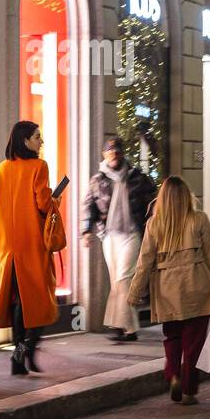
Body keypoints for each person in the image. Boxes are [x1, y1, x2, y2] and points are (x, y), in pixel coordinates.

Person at [126, 176, 210, 406]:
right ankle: (189, 390)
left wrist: (134, 292)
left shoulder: (154, 223)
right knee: (193, 343)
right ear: (186, 196)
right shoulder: (199, 219)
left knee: (172, 336)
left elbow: (144, 262)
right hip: (197, 285)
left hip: (167, 288)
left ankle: (173, 374)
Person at [0, 121, 60, 375]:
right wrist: (56, 200)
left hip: (8, 246)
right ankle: (28, 350)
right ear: (25, 141)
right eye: (37, 137)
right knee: (41, 301)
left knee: (18, 301)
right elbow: (43, 204)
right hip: (32, 243)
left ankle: (18, 357)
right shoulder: (38, 166)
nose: (40, 141)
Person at [81, 136, 157, 342]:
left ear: (123, 154)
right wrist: (86, 231)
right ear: (104, 154)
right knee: (117, 283)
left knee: (123, 279)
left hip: (131, 234)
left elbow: (155, 199)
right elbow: (88, 207)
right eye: (110, 151)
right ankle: (121, 326)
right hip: (109, 236)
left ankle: (127, 328)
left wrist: (152, 222)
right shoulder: (97, 180)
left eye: (118, 151)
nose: (114, 154)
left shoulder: (137, 177)